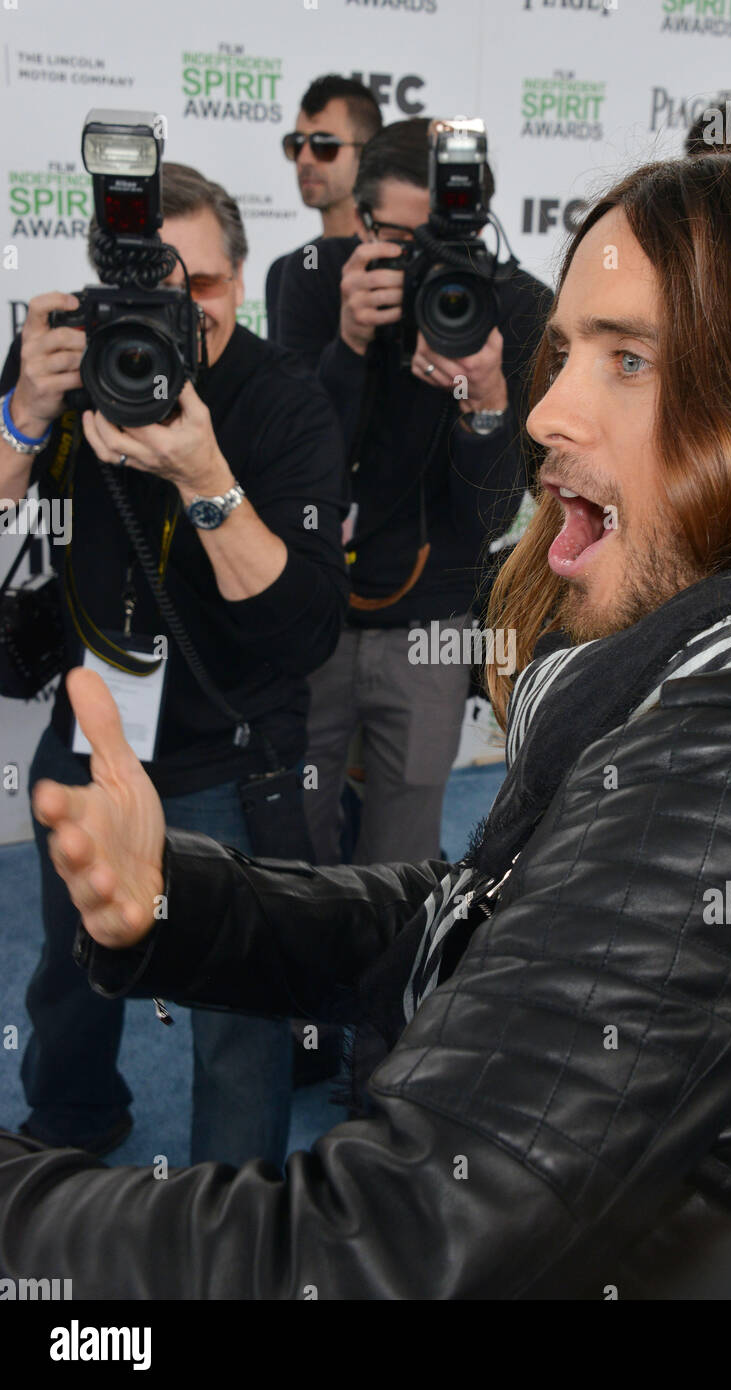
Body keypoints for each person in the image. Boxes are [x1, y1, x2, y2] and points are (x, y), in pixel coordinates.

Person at [1, 148, 731, 1299]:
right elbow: (490, 920)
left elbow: (379, 1253)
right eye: (564, 353)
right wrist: (185, 901)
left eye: (629, 359)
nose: (544, 411)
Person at [0, 163, 348, 1168]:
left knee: (236, 1009)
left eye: (198, 287)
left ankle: (232, 1213)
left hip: (228, 748)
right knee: (69, 970)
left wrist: (204, 476)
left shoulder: (285, 404)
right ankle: (71, 1122)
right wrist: (26, 406)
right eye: (152, 290)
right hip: (87, 729)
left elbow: (302, 629)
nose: (178, 313)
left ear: (237, 282)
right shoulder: (74, 365)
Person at [277, 117, 552, 866]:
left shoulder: (521, 308)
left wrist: (488, 402)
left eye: (441, 242)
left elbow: (494, 515)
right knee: (292, 837)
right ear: (360, 219)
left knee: (402, 854)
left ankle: (388, 986)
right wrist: (349, 346)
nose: (423, 263)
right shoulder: (307, 279)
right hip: (313, 609)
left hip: (433, 624)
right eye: (400, 240)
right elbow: (298, 473)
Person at [265, 75, 383, 339]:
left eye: (324, 146)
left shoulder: (389, 265)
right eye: (296, 145)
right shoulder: (284, 271)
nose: (305, 159)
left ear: (368, 154)